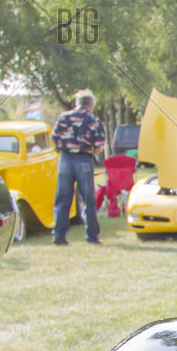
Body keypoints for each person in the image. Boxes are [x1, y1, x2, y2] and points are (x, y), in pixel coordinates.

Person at [51, 89, 107, 245]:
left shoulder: (63, 118)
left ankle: (59, 235)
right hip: (83, 159)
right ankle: (92, 235)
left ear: (77, 103)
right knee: (88, 199)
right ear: (91, 105)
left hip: (65, 159)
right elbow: (98, 145)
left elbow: (54, 138)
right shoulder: (93, 120)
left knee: (63, 198)